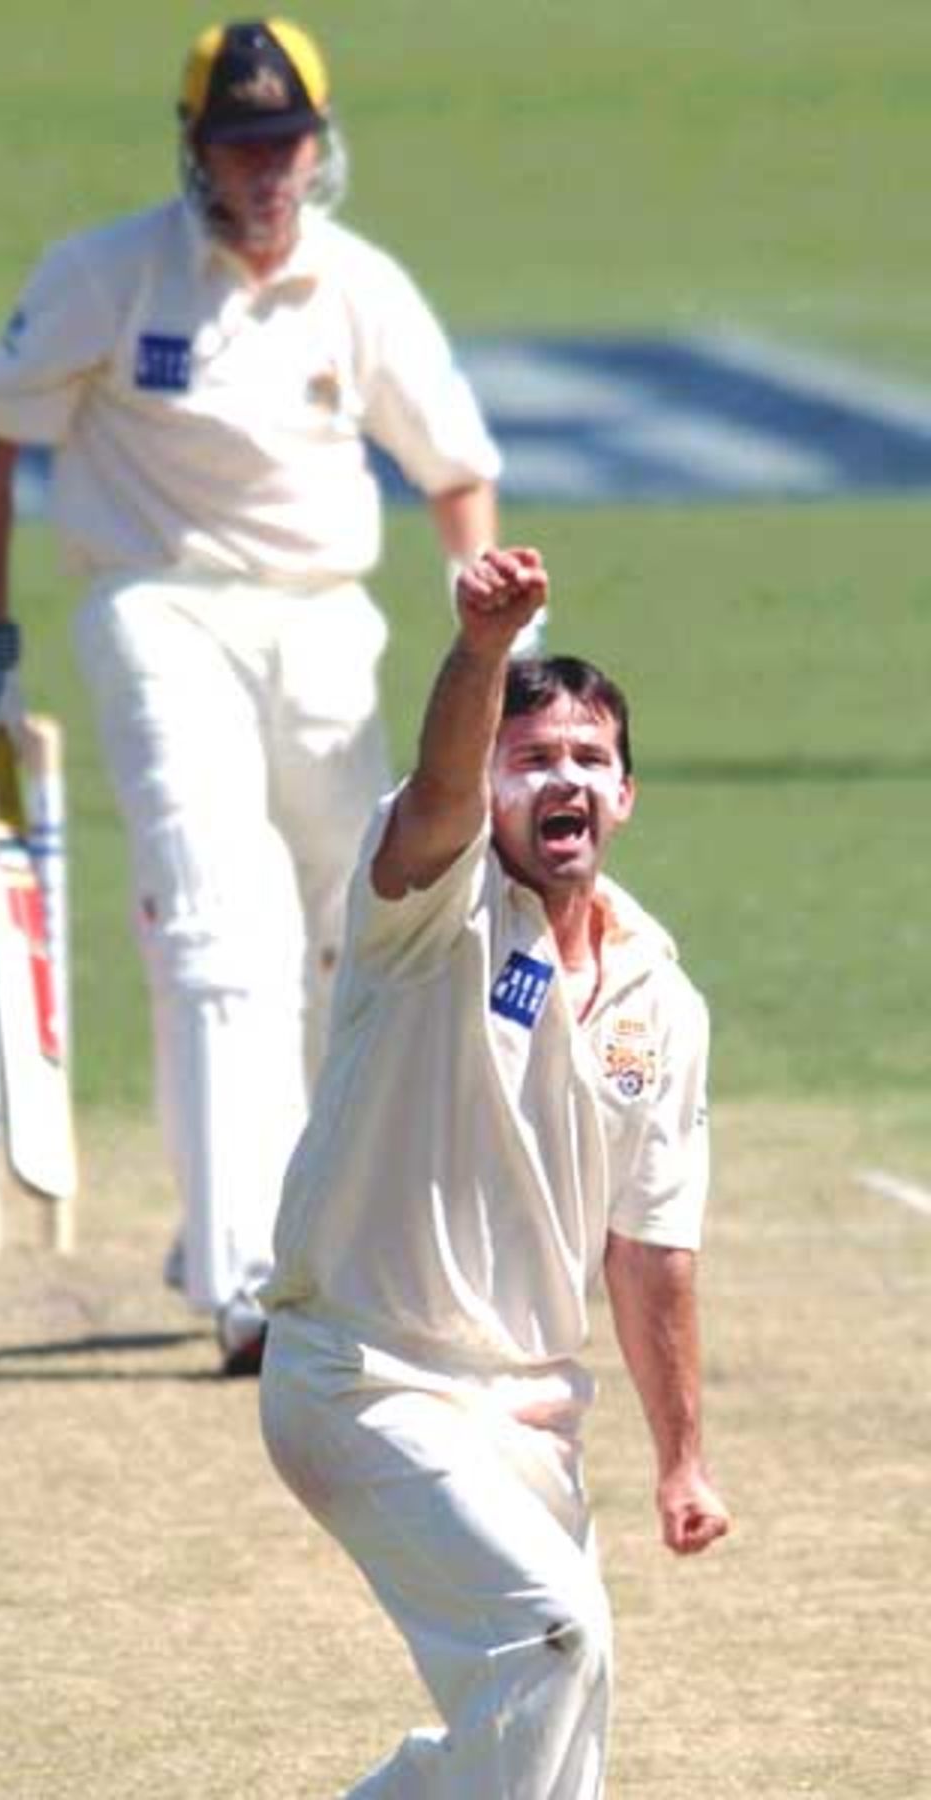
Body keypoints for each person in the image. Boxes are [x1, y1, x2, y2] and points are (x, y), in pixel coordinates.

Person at [0, 19, 522, 1374]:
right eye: (240, 145)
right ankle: (246, 1277)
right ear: (195, 150)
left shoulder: (360, 287)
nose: (266, 171)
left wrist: (496, 648)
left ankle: (325, 1231)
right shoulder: (106, 276)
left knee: (350, 926)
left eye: (286, 144)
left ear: (320, 148)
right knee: (216, 919)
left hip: (323, 620)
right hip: (158, 603)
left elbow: (455, 471)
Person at [258, 546, 730, 1796]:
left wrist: (681, 1455)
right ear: (489, 784)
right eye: (530, 758)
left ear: (625, 794)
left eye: (589, 757)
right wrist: (481, 650)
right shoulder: (429, 909)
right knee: (548, 1637)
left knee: (561, 1710)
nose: (563, 777)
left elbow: (652, 1247)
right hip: (364, 1374)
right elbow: (435, 796)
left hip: (531, 1409)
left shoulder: (661, 999)